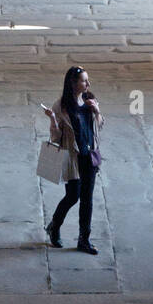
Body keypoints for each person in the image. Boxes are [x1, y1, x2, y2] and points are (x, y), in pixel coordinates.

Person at [43, 66, 103, 253]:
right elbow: (56, 138)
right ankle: (54, 226)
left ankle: (84, 240)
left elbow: (100, 125)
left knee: (87, 200)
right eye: (84, 81)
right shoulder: (61, 106)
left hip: (89, 156)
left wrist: (97, 110)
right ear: (73, 83)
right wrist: (53, 120)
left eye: (87, 80)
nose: (88, 84)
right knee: (72, 196)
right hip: (72, 158)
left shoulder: (89, 99)